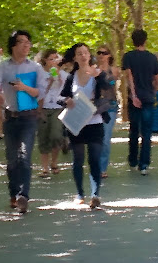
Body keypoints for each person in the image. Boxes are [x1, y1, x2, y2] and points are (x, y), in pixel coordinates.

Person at [0, 30, 45, 214]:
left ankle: (24, 196)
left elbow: (41, 91)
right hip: (10, 118)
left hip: (29, 117)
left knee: (24, 156)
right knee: (12, 160)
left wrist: (24, 88)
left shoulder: (35, 68)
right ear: (13, 45)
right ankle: (13, 193)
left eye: (28, 42)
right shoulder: (4, 67)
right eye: (22, 42)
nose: (26, 45)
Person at [60, 43, 110, 209]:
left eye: (85, 53)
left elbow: (108, 88)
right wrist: (67, 101)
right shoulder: (71, 77)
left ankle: (95, 194)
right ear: (75, 57)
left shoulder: (97, 74)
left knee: (94, 158)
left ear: (90, 56)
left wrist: (98, 76)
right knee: (78, 159)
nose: (83, 56)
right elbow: (61, 98)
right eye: (79, 53)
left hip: (95, 122)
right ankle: (80, 193)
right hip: (77, 123)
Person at [121, 29, 158, 175]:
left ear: (132, 41)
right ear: (145, 40)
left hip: (135, 98)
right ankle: (144, 164)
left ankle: (133, 160)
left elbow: (129, 76)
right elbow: (157, 77)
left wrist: (133, 95)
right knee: (146, 132)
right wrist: (154, 90)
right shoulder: (152, 58)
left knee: (134, 130)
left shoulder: (128, 57)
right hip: (148, 97)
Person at [36, 49, 65, 177]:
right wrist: (50, 82)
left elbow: (67, 90)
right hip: (43, 107)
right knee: (43, 136)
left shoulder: (62, 73)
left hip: (57, 107)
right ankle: (45, 167)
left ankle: (54, 161)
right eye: (51, 59)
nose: (53, 61)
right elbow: (39, 91)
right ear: (45, 60)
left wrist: (59, 78)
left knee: (56, 135)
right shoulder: (39, 73)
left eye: (55, 58)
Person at [96, 45, 120, 179]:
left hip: (110, 107)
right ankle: (95, 165)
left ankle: (102, 168)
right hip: (95, 107)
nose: (101, 55)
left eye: (104, 53)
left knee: (105, 138)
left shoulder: (114, 71)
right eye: (99, 53)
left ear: (109, 55)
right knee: (95, 138)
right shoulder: (93, 70)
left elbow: (112, 85)